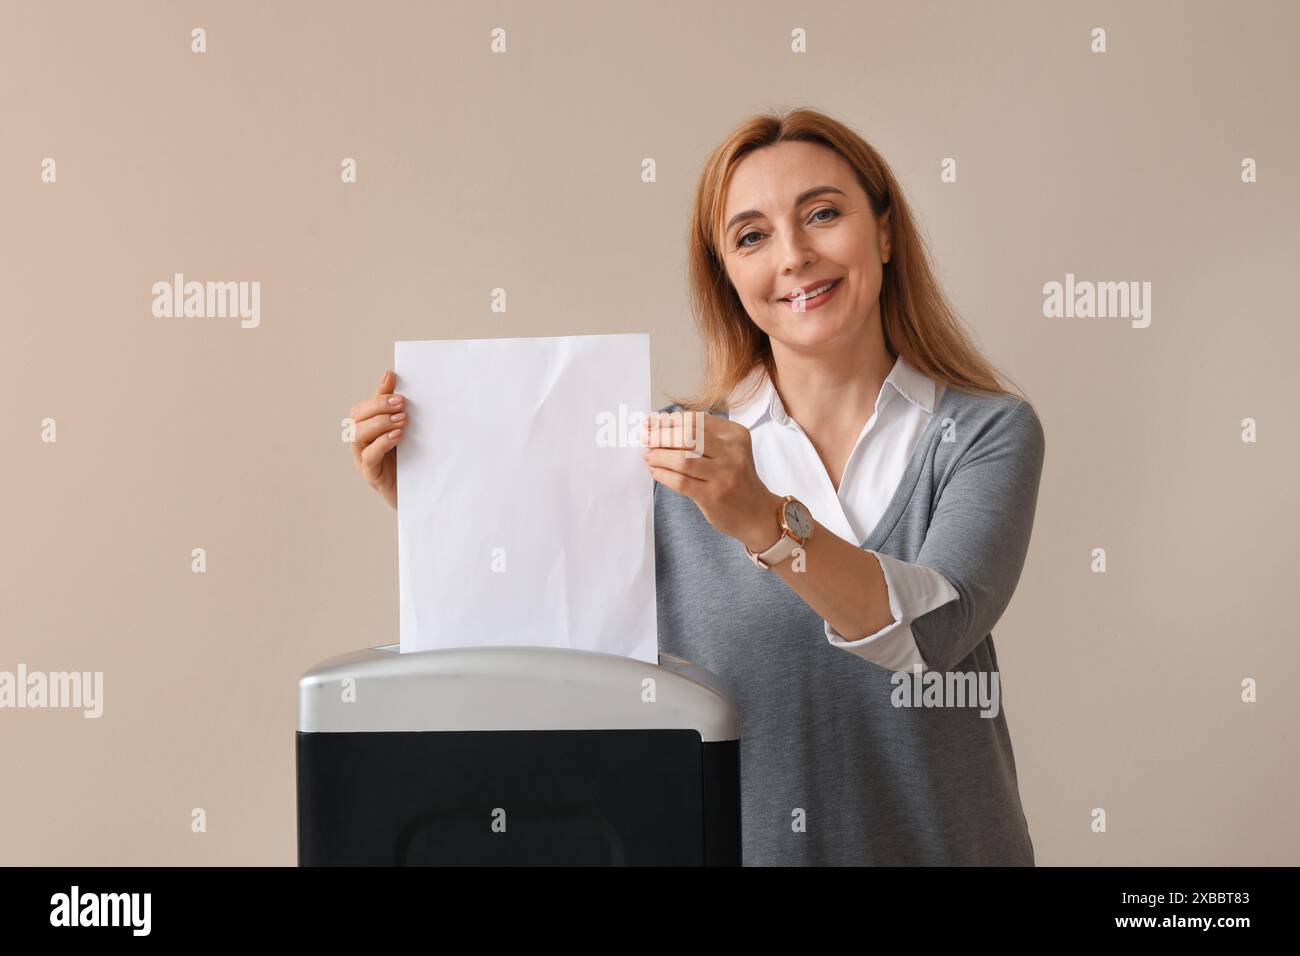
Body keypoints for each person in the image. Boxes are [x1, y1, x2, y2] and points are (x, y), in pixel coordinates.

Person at [347, 107, 1045, 866]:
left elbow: (931, 634)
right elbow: (552, 639)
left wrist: (768, 523)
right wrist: (427, 497)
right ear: (728, 276)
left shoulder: (984, 432)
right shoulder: (662, 451)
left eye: (822, 214)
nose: (794, 255)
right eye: (752, 236)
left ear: (883, 231)